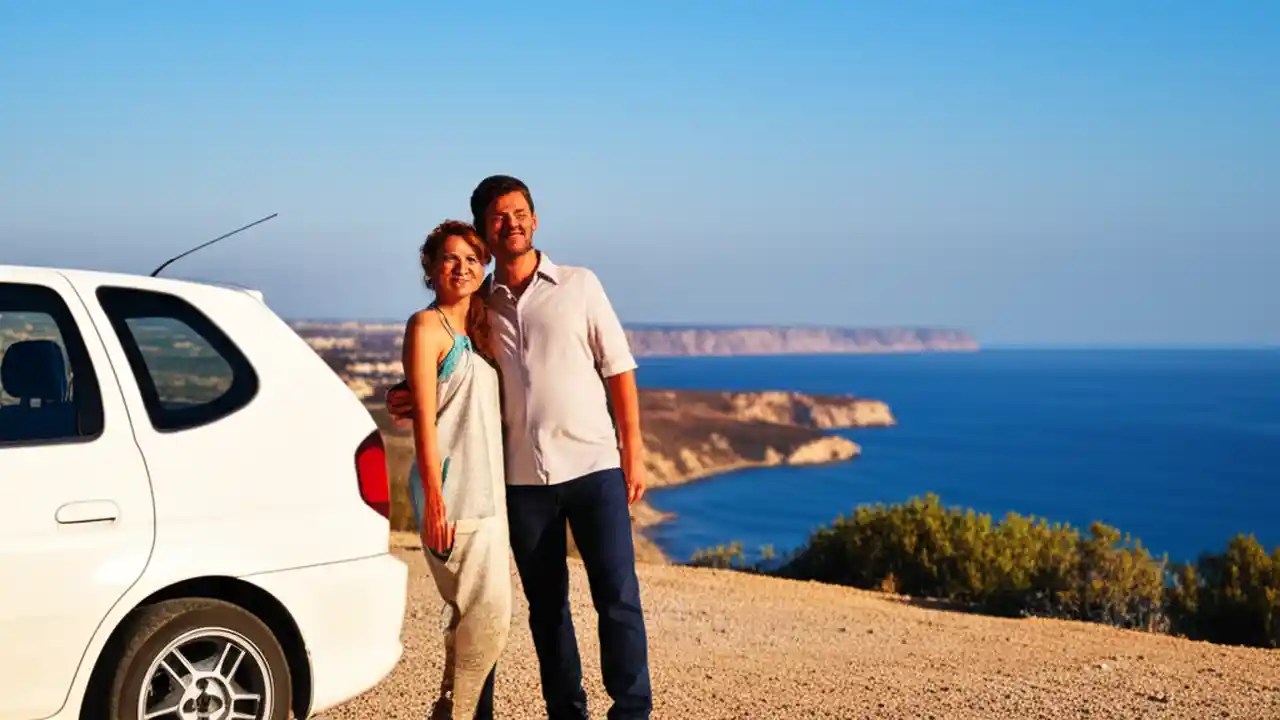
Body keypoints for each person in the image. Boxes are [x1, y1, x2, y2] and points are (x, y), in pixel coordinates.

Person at [389, 174, 652, 720]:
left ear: (535, 219)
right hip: (523, 484)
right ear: (488, 231)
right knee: (546, 610)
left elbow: (619, 370)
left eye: (519, 213)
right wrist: (408, 394)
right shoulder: (480, 304)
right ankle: (567, 712)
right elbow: (453, 368)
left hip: (594, 467)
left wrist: (634, 451)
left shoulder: (580, 285)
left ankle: (632, 711)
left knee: (618, 600)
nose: (511, 223)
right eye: (498, 217)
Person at [402, 219, 512, 720]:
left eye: (472, 258)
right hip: (452, 495)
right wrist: (435, 500)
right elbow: (423, 422)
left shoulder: (479, 326)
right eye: (450, 258)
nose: (462, 267)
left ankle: (450, 707)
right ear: (431, 267)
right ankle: (457, 713)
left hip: (487, 494)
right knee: (490, 617)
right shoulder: (426, 327)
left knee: (475, 615)